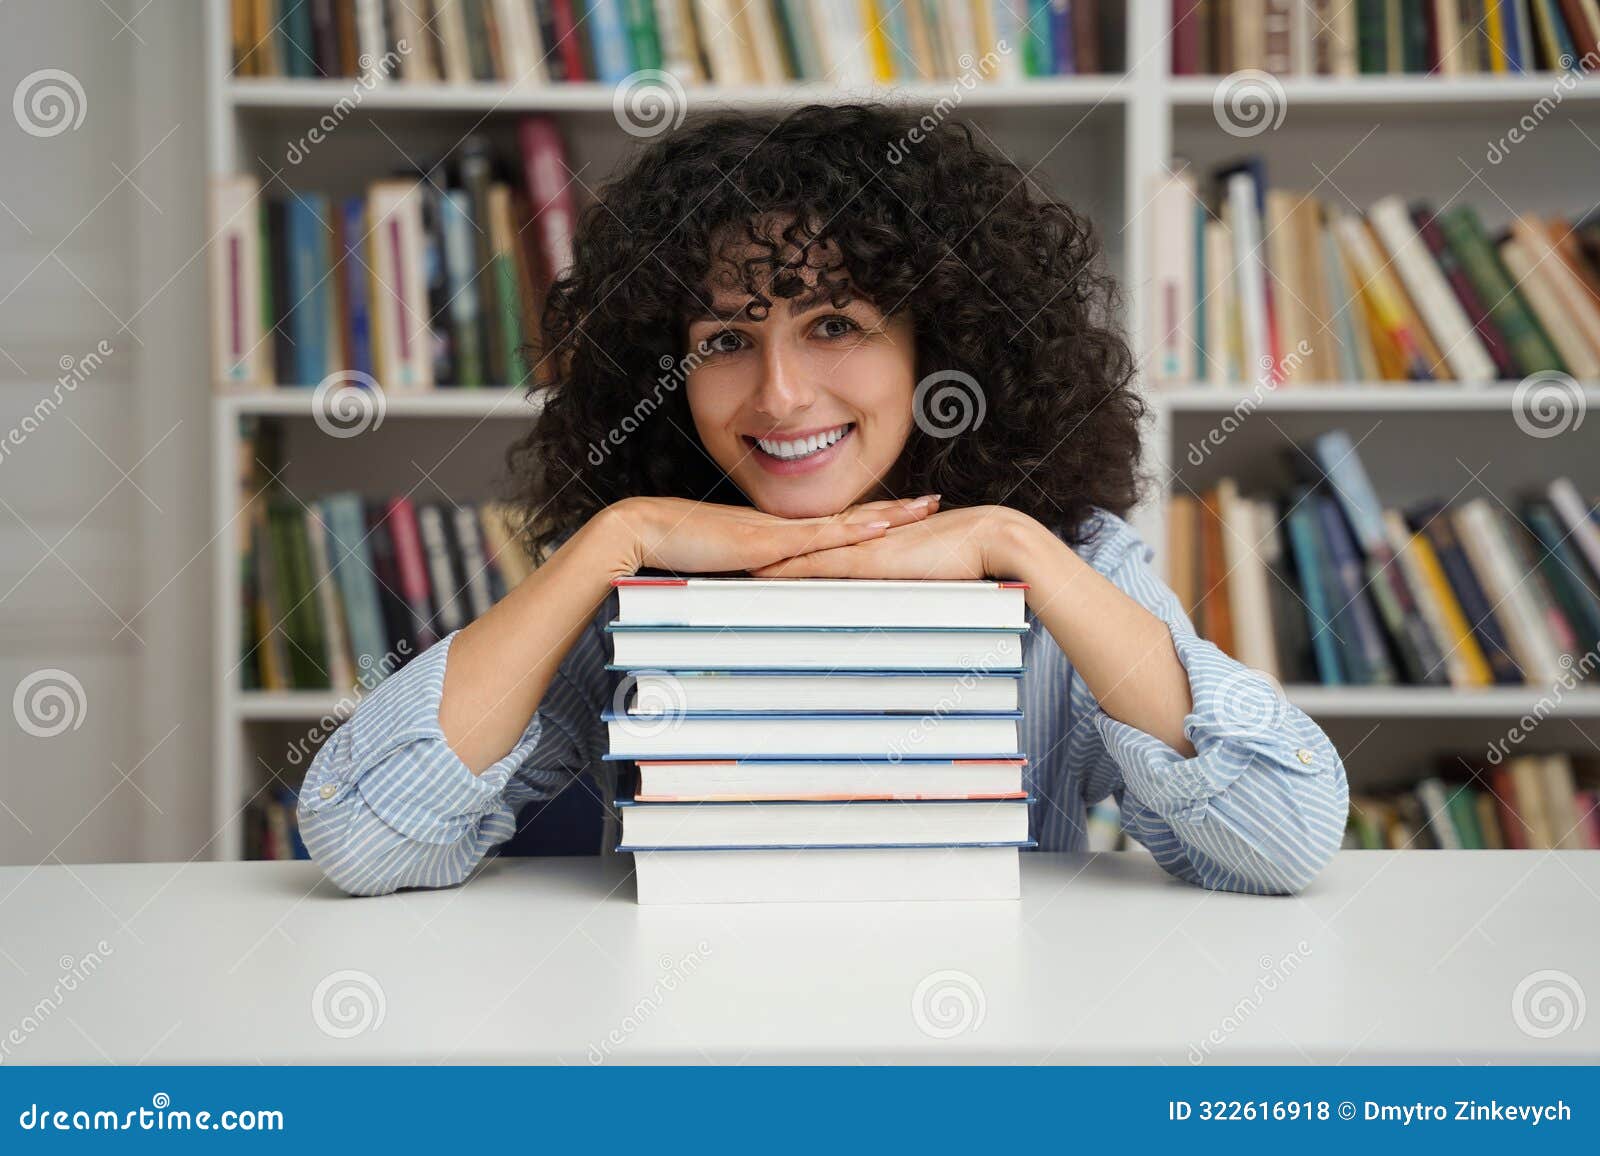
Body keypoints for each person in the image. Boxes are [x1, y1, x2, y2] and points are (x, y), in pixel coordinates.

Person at [298, 103, 1347, 898]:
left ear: (937, 345)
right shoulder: (629, 576)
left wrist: (1011, 546)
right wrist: (616, 536)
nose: (780, 394)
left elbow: (1288, 841)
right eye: (722, 343)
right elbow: (361, 838)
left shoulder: (1066, 564)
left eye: (835, 326)